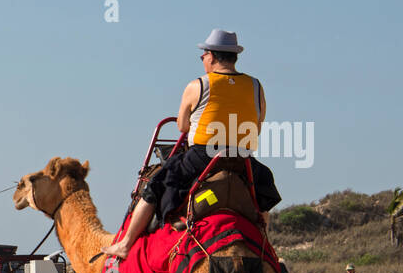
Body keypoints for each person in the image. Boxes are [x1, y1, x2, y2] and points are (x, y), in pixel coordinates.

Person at [102, 30, 282, 259]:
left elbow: (182, 126)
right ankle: (265, 244)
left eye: (203, 55)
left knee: (155, 185)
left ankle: (125, 244)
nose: (203, 60)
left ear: (212, 57)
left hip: (203, 156)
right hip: (242, 158)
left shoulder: (198, 85)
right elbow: (258, 121)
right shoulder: (256, 86)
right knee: (263, 195)